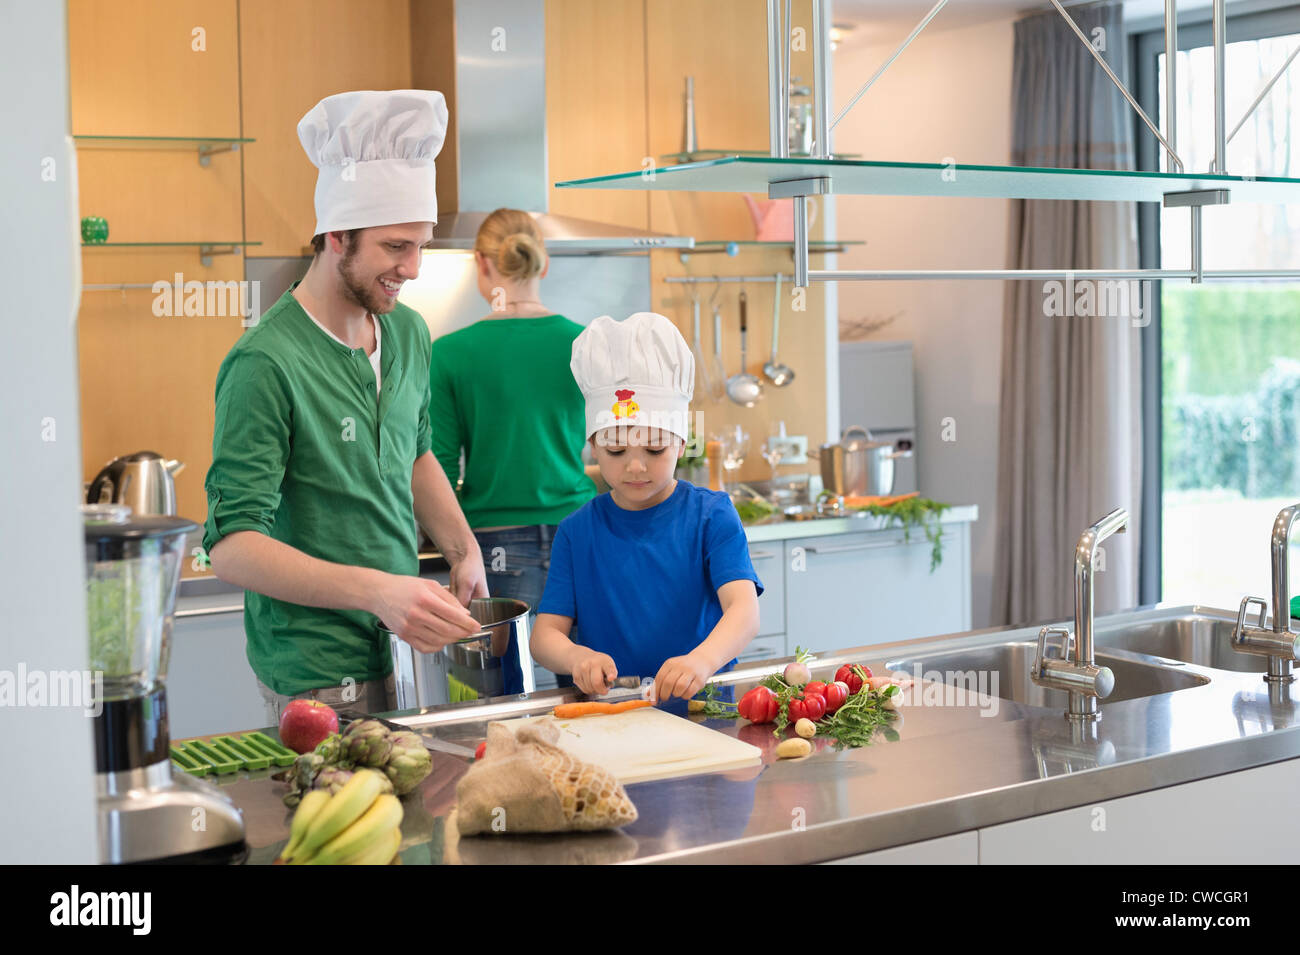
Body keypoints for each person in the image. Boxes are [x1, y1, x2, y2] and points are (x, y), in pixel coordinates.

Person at [202, 90, 488, 723]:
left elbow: (412, 455)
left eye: (421, 245)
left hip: (407, 653)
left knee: (420, 819)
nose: (413, 267)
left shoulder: (409, 333)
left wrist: (463, 549)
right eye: (395, 247)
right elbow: (232, 546)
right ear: (337, 236)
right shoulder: (265, 364)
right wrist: (380, 591)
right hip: (315, 672)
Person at [531, 312, 763, 703]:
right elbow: (545, 636)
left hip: (705, 706)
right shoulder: (577, 530)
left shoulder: (712, 516)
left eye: (654, 449)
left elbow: (744, 610)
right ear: (592, 447)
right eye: (616, 450)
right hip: (614, 711)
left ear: (681, 444)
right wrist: (576, 657)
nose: (635, 466)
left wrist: (702, 660)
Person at [427, 210, 594, 695]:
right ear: (542, 264)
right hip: (580, 531)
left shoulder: (451, 352)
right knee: (589, 686)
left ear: (482, 264)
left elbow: (433, 460)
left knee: (498, 699)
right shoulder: (583, 344)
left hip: (493, 546)